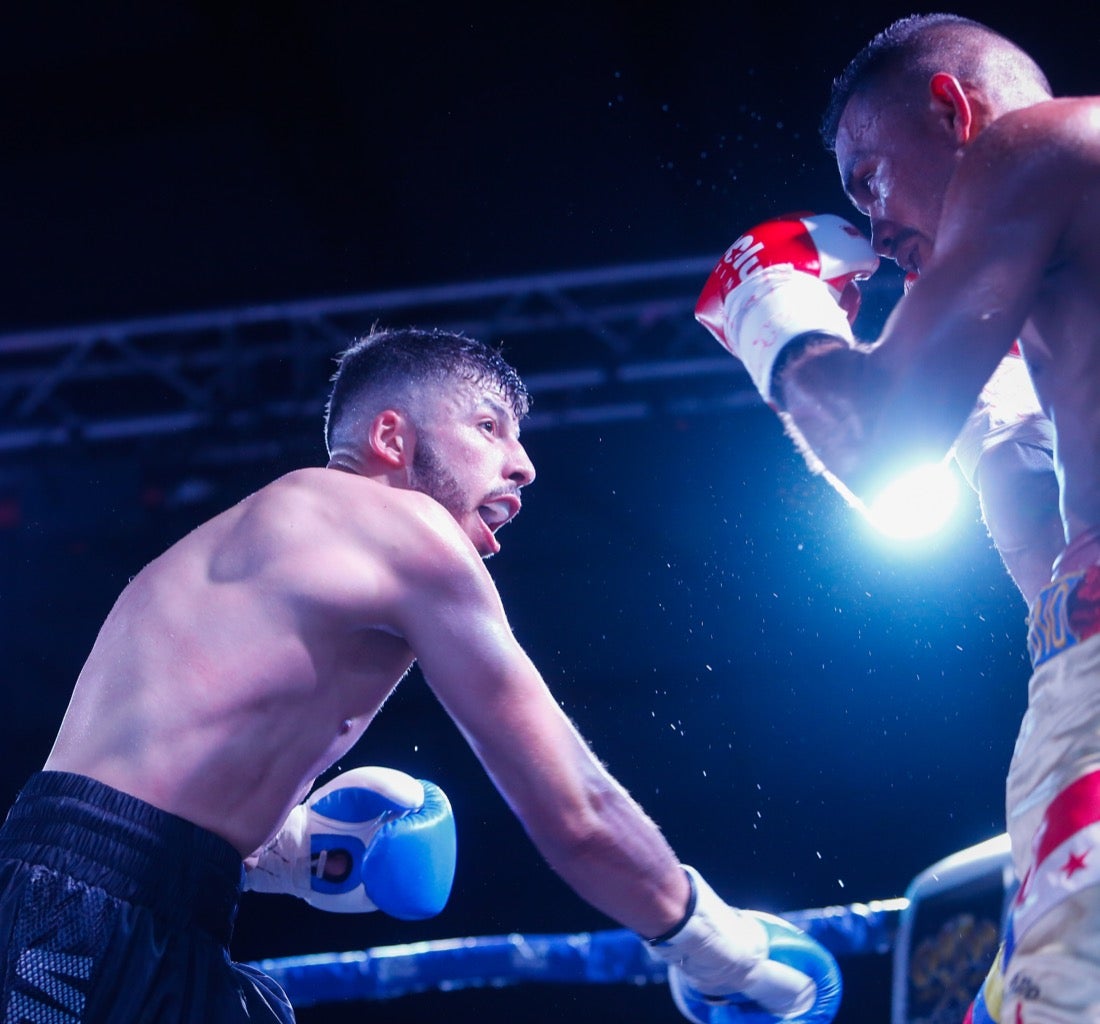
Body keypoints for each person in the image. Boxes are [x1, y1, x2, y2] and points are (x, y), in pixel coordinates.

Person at [0, 326, 840, 1023]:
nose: (523, 465)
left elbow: (133, 787)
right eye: (487, 428)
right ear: (392, 438)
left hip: (114, 903)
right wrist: (711, 942)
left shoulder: (264, 541)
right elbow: (575, 811)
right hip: (87, 910)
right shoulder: (405, 535)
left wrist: (284, 854)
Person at [695, 13, 1100, 1022]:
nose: (872, 232)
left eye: (867, 181)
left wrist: (771, 306)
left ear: (953, 112)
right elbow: (1059, 588)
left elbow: (877, 451)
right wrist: (995, 441)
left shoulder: (1033, 142)